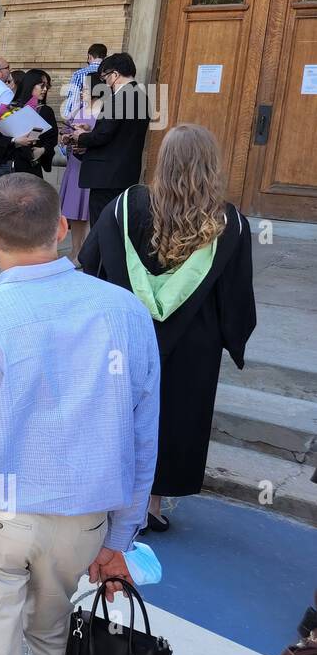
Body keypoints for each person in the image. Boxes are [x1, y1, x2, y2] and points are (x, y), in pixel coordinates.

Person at [0, 173, 159, 655]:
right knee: (58, 650)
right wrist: (122, 537)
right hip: (85, 519)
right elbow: (143, 437)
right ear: (63, 229)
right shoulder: (127, 312)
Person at [80, 124, 256, 532]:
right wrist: (235, 336)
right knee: (174, 417)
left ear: (163, 161)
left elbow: (90, 262)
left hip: (125, 335)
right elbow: (236, 297)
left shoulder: (126, 206)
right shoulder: (230, 223)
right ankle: (150, 507)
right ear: (211, 168)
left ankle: (108, 500)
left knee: (122, 411)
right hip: (193, 344)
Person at [66, 52, 149, 225]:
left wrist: (81, 136)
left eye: (105, 77)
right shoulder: (142, 97)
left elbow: (103, 135)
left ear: (115, 74)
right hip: (126, 172)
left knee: (103, 226)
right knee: (118, 225)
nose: (105, 83)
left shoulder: (119, 97)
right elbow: (121, 134)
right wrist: (91, 130)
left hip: (106, 176)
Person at [58, 71, 101, 264]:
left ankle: (88, 253)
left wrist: (87, 133)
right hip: (74, 164)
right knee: (75, 212)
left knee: (89, 212)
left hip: (90, 164)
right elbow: (67, 130)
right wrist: (66, 136)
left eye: (85, 88)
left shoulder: (104, 111)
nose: (82, 92)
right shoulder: (79, 108)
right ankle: (75, 250)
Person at [0, 69, 58, 180]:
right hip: (6, 167)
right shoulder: (10, 108)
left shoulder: (45, 111)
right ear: (30, 85)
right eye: (42, 85)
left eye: (47, 86)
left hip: (29, 167)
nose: (45, 89)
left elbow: (52, 138)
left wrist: (43, 150)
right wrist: (14, 140)